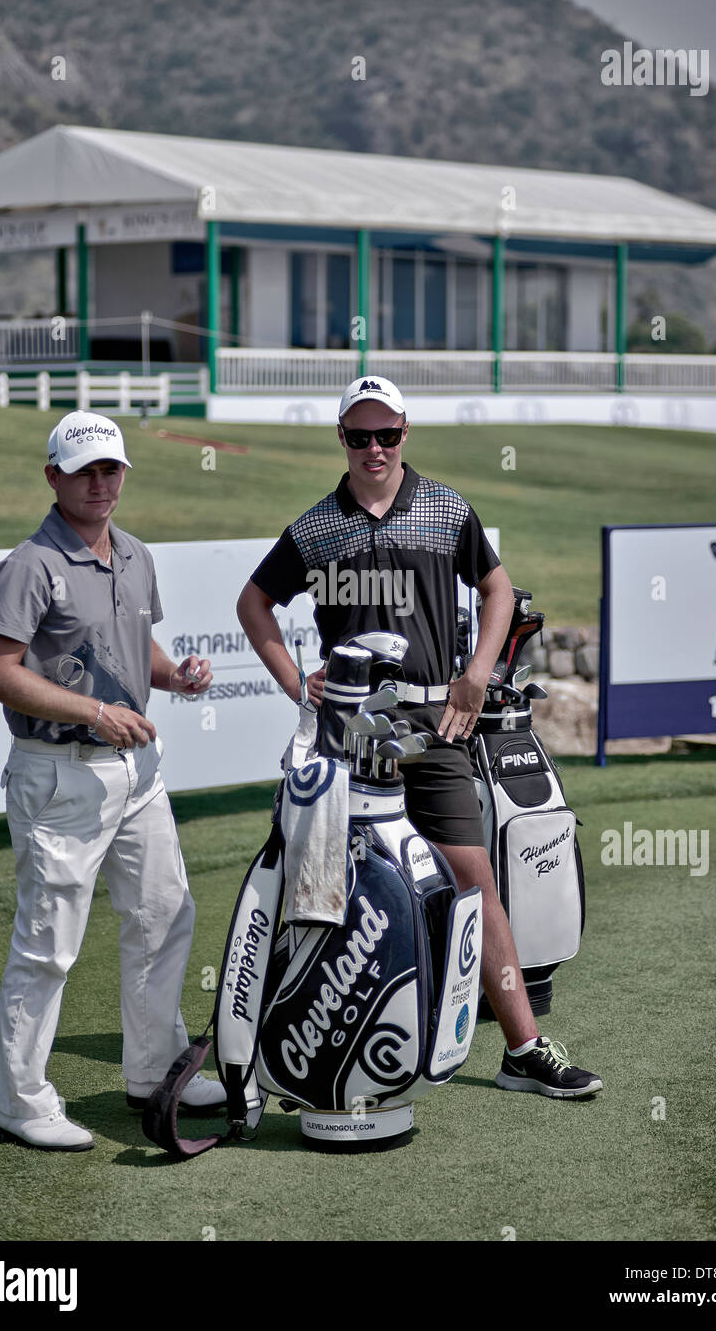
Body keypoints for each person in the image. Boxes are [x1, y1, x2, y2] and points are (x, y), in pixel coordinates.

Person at [237, 376, 602, 1100]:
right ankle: (294, 1041)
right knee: (324, 884)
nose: (374, 448)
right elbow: (254, 602)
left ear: (406, 432)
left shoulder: (446, 508)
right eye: (358, 435)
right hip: (346, 735)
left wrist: (477, 675)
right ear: (341, 437)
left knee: (474, 880)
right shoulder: (316, 527)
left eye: (387, 434)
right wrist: (292, 680)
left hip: (434, 729)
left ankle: (523, 1049)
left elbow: (497, 589)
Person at [0, 411, 225, 1151]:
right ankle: (21, 1101)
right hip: (59, 776)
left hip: (136, 772)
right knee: (49, 945)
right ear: (52, 476)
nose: (100, 483)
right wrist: (94, 711)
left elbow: (132, 642)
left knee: (161, 915)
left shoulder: (136, 556)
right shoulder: (29, 565)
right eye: (83, 470)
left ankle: (152, 1072)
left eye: (110, 469)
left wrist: (174, 676)